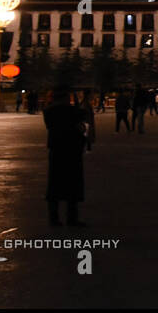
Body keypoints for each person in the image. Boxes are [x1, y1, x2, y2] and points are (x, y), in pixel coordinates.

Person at [43, 84, 88, 227]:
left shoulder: (49, 112)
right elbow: (83, 115)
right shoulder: (72, 111)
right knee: (72, 185)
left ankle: (54, 217)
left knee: (54, 185)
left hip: (56, 150)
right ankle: (72, 218)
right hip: (72, 150)